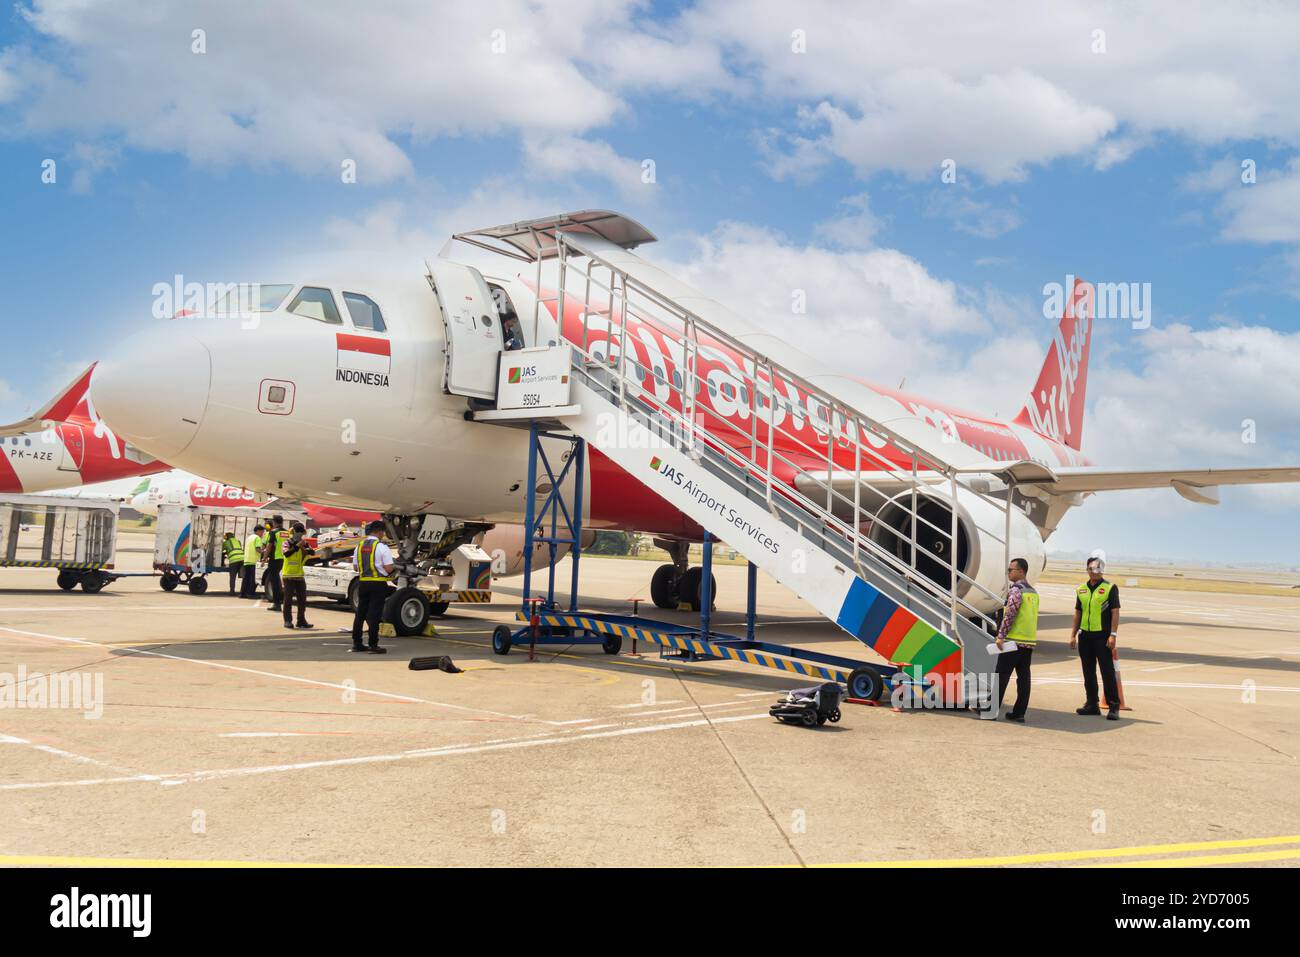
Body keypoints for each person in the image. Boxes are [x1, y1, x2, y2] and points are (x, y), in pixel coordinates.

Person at [1072, 555, 1122, 720]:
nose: (1094, 571)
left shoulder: (1110, 588)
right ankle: (1092, 704)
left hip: (1102, 636)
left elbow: (1115, 611)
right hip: (1085, 636)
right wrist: (1073, 635)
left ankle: (1114, 706)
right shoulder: (1081, 589)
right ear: (1087, 570)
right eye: (1091, 568)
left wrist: (1113, 634)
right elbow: (1077, 613)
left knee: (1107, 671)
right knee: (1088, 672)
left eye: (1098, 568)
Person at [991, 557, 1039, 722]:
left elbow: (1010, 613)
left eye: (1010, 569)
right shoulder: (1033, 592)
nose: (1008, 572)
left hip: (1013, 641)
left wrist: (1001, 636)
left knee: (1001, 676)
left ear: (1021, 571)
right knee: (1024, 678)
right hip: (1028, 642)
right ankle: (1019, 713)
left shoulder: (1016, 590)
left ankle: (991, 710)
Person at [351, 519, 393, 654]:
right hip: (378, 584)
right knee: (374, 615)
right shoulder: (382, 547)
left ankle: (357, 644)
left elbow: (355, 567)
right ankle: (373, 645)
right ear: (380, 532)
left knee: (360, 614)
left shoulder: (359, 546)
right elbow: (389, 568)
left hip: (362, 583)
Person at [279, 521, 314, 630]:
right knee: (288, 599)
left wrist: (305, 548)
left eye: (301, 533)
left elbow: (312, 552)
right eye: (297, 532)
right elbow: (286, 554)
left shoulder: (304, 543)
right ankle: (288, 621)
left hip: (299, 575)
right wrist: (297, 546)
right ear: (293, 532)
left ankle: (301, 620)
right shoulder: (287, 542)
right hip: (288, 575)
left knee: (302, 599)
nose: (299, 535)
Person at [263, 515, 286, 612]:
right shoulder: (287, 532)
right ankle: (281, 601)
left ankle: (277, 604)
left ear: (274, 522)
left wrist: (264, 558)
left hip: (275, 559)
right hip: (284, 559)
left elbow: (269, 546)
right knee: (280, 581)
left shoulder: (273, 532)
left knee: (275, 582)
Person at [239, 523, 265, 599]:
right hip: (253, 561)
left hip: (247, 560)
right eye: (262, 532)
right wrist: (264, 551)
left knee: (246, 578)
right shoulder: (257, 538)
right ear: (258, 531)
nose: (262, 534)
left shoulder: (249, 537)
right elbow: (257, 549)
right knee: (253, 578)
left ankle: (242, 593)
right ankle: (250, 594)